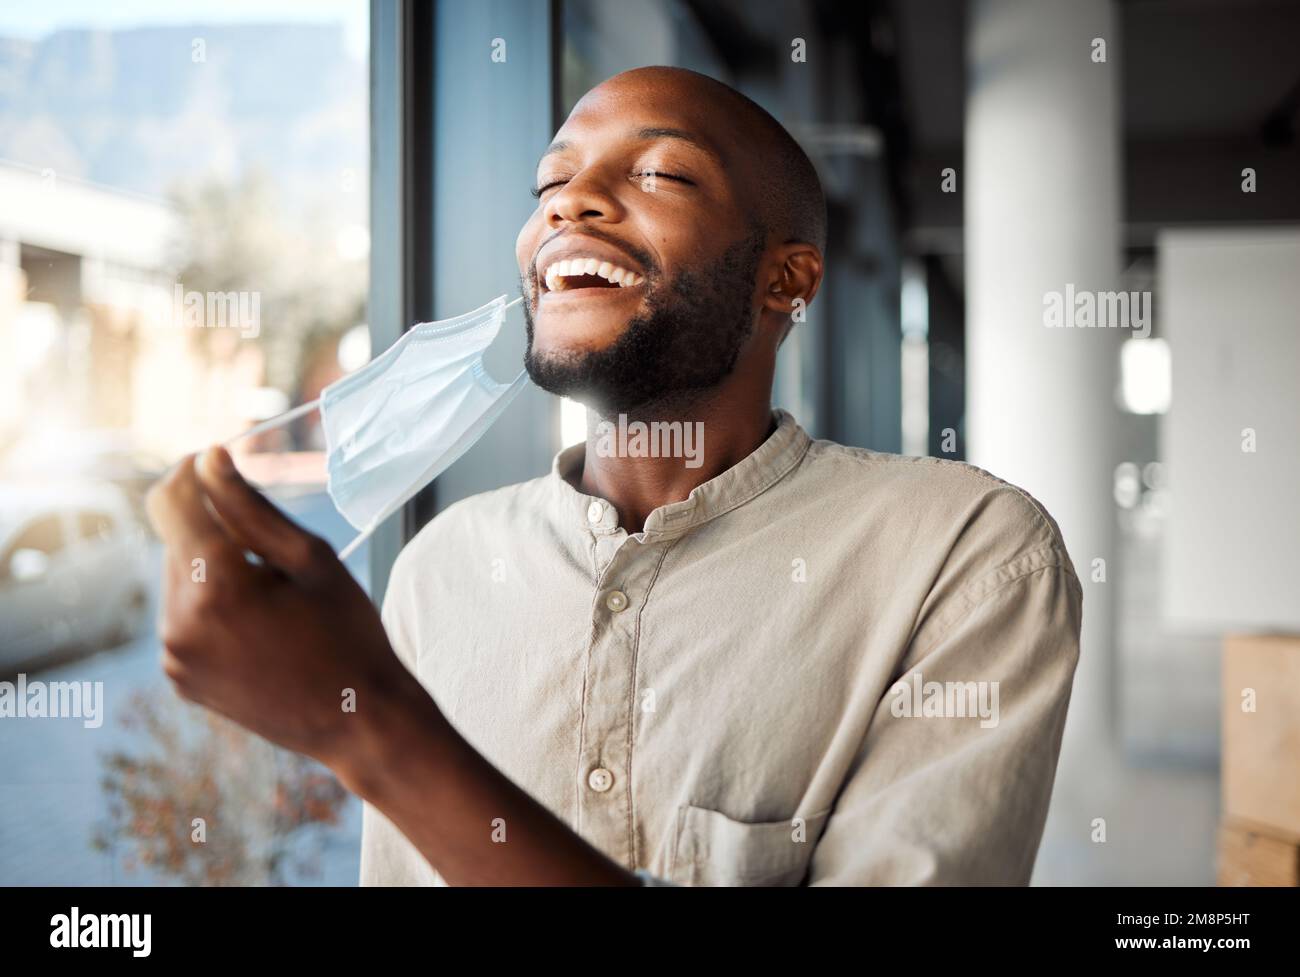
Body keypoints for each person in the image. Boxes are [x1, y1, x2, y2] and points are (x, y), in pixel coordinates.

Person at [147, 66, 1082, 886]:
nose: (567, 202)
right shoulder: (442, 566)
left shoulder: (967, 552)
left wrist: (372, 734)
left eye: (662, 173)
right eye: (550, 181)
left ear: (787, 281)